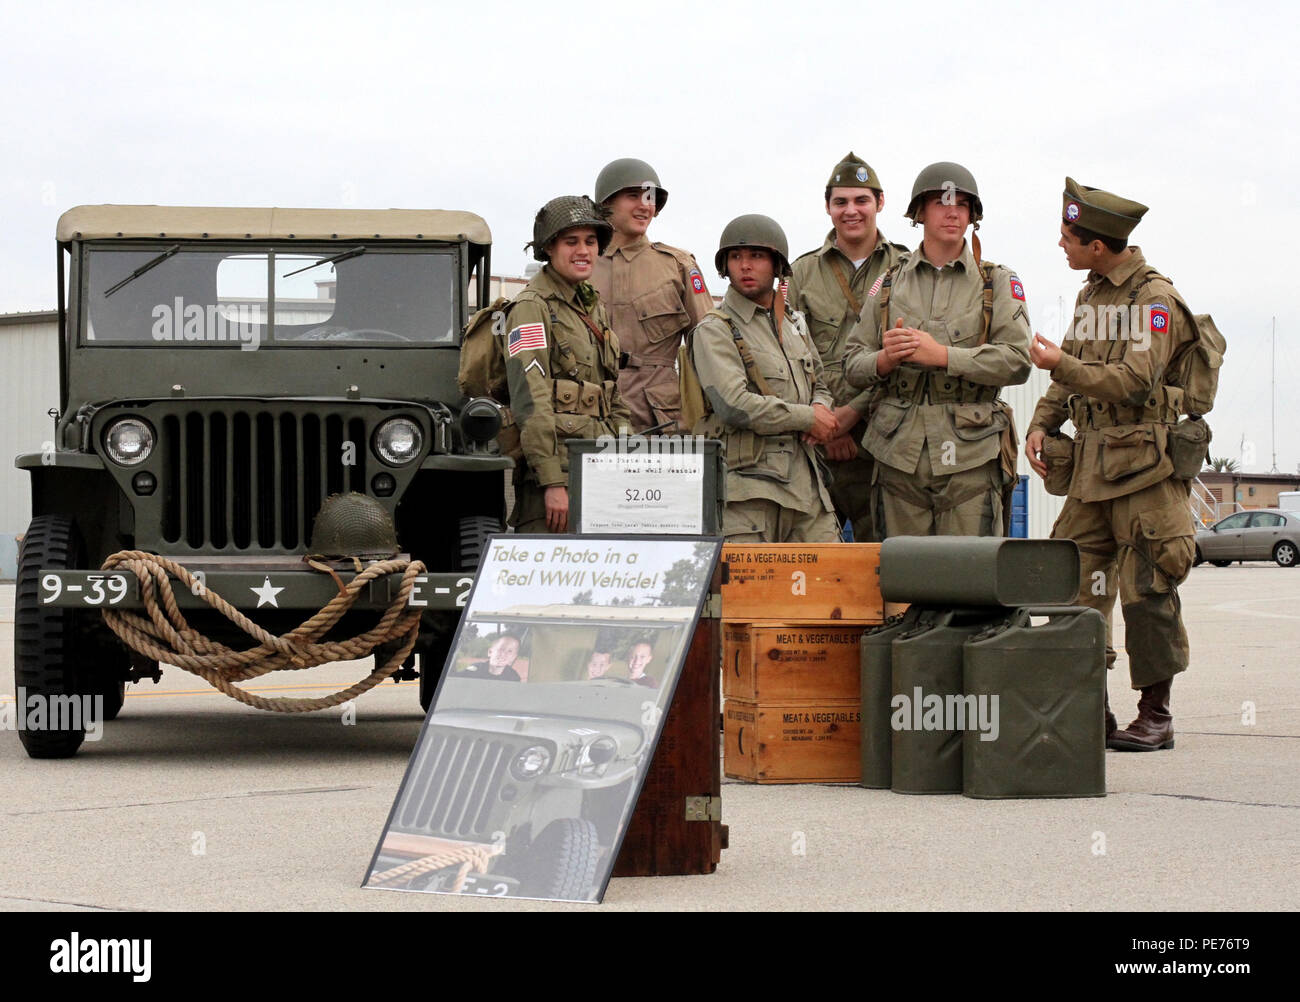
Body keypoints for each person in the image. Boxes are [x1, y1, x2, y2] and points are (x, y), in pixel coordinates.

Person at [1025, 177, 1197, 751]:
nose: (1061, 245)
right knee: (1073, 583)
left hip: (1146, 469)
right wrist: (1042, 422)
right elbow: (1070, 367)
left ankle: (1156, 716)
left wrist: (1060, 366)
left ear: (1098, 245)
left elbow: (1133, 380)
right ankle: (1089, 708)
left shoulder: (1154, 300)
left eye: (1069, 237)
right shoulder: (1091, 295)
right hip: (1095, 470)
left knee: (1148, 586)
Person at [842, 162, 1031, 537]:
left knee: (969, 581)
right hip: (899, 457)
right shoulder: (890, 283)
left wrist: (943, 357)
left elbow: (1018, 360)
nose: (952, 212)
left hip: (970, 460)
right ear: (920, 213)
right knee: (903, 583)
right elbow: (851, 363)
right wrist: (883, 359)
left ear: (972, 215)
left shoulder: (996, 282)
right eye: (942, 203)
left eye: (962, 204)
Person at [688, 214, 840, 543]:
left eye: (756, 256)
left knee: (831, 587)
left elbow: (822, 384)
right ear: (725, 266)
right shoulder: (714, 329)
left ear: (777, 265)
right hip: (749, 495)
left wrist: (820, 407)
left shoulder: (795, 323)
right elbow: (734, 405)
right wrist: (808, 418)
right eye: (736, 257)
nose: (745, 266)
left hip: (807, 487)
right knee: (751, 593)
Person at [787, 153, 909, 541]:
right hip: (818, 444)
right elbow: (790, 355)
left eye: (861, 200)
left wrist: (850, 418)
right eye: (841, 202)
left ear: (880, 203)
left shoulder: (907, 268)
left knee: (888, 564)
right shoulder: (801, 273)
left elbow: (907, 356)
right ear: (828, 207)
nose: (851, 211)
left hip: (886, 443)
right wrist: (827, 422)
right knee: (819, 565)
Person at [505, 196, 632, 533]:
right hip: (555, 484)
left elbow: (611, 394)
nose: (583, 251)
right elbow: (530, 400)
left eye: (590, 241)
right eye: (571, 242)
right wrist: (552, 482)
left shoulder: (592, 306)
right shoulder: (531, 307)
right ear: (549, 247)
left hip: (600, 471)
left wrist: (629, 456)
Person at [590, 158, 715, 433]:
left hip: (660, 420)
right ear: (605, 204)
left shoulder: (679, 265)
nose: (645, 205)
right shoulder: (581, 266)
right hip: (591, 413)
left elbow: (710, 347)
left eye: (650, 198)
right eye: (633, 196)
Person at [454, 633, 522, 682]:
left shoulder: (513, 678)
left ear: (513, 657)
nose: (503, 654)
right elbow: (452, 681)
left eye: (510, 651)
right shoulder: (474, 670)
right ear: (490, 652)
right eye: (501, 649)